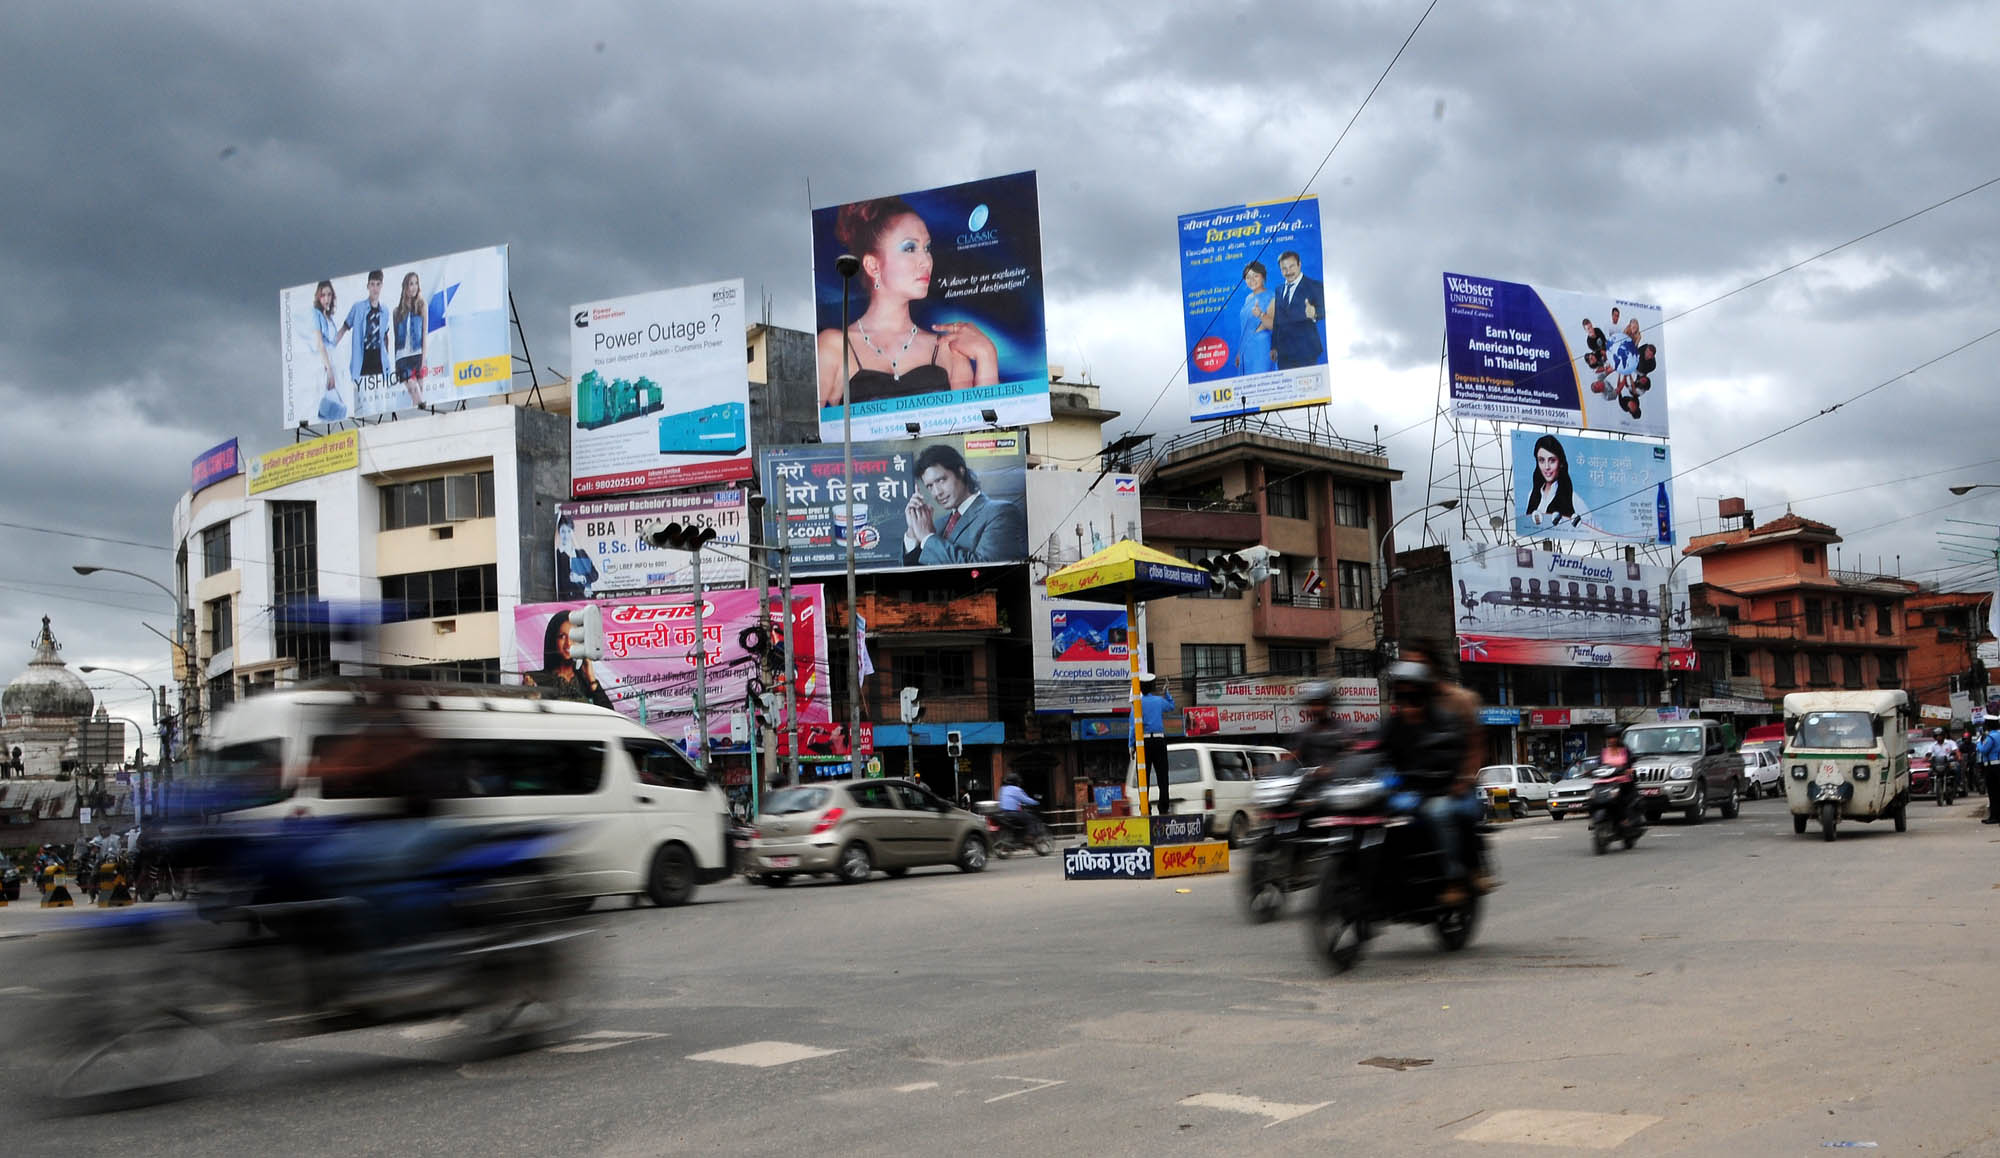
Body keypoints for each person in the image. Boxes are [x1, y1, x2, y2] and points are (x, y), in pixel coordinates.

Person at [816, 196, 999, 406]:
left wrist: (987, 355)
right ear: (872, 266)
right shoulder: (834, 346)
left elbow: (980, 430)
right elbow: (810, 430)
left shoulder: (947, 349)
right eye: (910, 248)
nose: (926, 261)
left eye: (927, 248)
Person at [1376, 638, 1487, 903]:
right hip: (1409, 787)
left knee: (1447, 813)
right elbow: (1376, 749)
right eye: (1401, 692)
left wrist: (1462, 777)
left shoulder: (1450, 712)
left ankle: (1460, 875)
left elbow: (1466, 746)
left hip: (1447, 784)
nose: (1407, 697)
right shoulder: (1394, 721)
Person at [901, 442, 1027, 566]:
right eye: (930, 486)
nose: (936, 492)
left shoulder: (1001, 512)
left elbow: (985, 568)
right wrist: (913, 532)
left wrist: (928, 538)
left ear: (960, 471)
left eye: (941, 480)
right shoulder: (937, 525)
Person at [522, 611, 613, 709]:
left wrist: (591, 678)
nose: (568, 643)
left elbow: (609, 714)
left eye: (573, 636)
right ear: (553, 640)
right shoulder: (535, 679)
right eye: (562, 636)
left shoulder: (585, 680)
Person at [1522, 433, 1603, 534]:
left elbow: (1596, 530)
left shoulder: (1572, 498)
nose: (1547, 467)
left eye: (1552, 460)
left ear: (1560, 463)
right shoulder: (1532, 494)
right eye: (1542, 460)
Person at [338, 269, 392, 409]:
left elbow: (385, 335)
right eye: (372, 284)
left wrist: (387, 356)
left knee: (382, 407)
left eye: (378, 284)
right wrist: (330, 346)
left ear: (381, 286)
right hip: (363, 366)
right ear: (367, 286)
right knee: (368, 409)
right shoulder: (358, 308)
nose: (375, 288)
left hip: (379, 365)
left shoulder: (385, 310)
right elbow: (345, 327)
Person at [1268, 250, 1326, 371]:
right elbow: (1277, 320)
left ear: (1299, 264)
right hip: (1284, 353)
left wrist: (1314, 312)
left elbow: (1324, 309)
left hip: (1306, 351)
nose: (1288, 272)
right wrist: (1274, 346)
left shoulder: (1315, 286)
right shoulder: (1278, 290)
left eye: (1291, 266)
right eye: (1284, 268)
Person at [308, 280, 349, 422]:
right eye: (323, 295)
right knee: (326, 406)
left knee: (339, 408)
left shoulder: (329, 318)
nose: (326, 299)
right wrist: (329, 369)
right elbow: (320, 343)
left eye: (329, 295)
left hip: (335, 363)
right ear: (318, 297)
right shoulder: (316, 314)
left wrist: (345, 327)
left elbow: (333, 342)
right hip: (325, 364)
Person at [1290, 681, 1351, 771]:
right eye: (1312, 704)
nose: (1315, 709)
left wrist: (1332, 768)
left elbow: (1351, 754)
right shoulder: (1305, 732)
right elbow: (1296, 758)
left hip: (1338, 779)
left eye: (1319, 704)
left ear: (1328, 705)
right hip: (1311, 781)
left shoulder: (1342, 728)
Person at [1138, 674, 1175, 810]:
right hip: (1159, 741)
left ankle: (1145, 806)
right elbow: (1171, 706)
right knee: (1162, 774)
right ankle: (1163, 806)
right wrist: (1166, 692)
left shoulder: (1138, 703)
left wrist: (1131, 745)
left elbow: (1132, 725)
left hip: (1144, 743)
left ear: (1140, 688)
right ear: (1153, 687)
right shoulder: (1159, 701)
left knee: (1144, 775)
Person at [392, 271, 427, 408]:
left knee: (417, 396)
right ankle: (423, 406)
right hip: (402, 359)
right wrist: (395, 364)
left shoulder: (422, 306)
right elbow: (395, 340)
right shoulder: (397, 311)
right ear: (405, 287)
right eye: (410, 284)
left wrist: (423, 361)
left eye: (416, 283)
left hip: (418, 356)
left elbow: (424, 334)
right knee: (415, 392)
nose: (413, 287)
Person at [1234, 261, 1276, 374]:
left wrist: (1260, 315)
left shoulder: (1271, 297)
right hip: (1246, 349)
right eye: (1248, 277)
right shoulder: (1248, 298)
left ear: (1263, 276)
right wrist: (1240, 352)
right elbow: (1244, 328)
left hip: (1261, 347)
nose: (1251, 280)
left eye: (1255, 276)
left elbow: (1273, 326)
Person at [555, 516, 599, 600]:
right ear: (559, 533)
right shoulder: (558, 555)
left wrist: (582, 578)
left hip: (586, 600)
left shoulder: (581, 553)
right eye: (563, 531)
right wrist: (572, 580)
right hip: (568, 601)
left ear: (573, 532)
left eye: (569, 531)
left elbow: (595, 575)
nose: (566, 535)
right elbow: (560, 582)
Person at [997, 772, 1041, 841]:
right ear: (1016, 782)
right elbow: (1025, 800)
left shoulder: (1002, 789)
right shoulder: (1016, 789)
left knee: (1016, 823)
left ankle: (1016, 839)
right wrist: (1036, 802)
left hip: (1002, 813)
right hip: (1013, 813)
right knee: (1031, 818)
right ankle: (1030, 837)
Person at [1977, 727, 2000, 824]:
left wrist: (1979, 743)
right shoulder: (1998, 735)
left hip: (1991, 767)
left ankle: (1994, 817)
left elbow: (1984, 750)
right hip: (1997, 765)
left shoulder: (1991, 737)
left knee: (1993, 793)